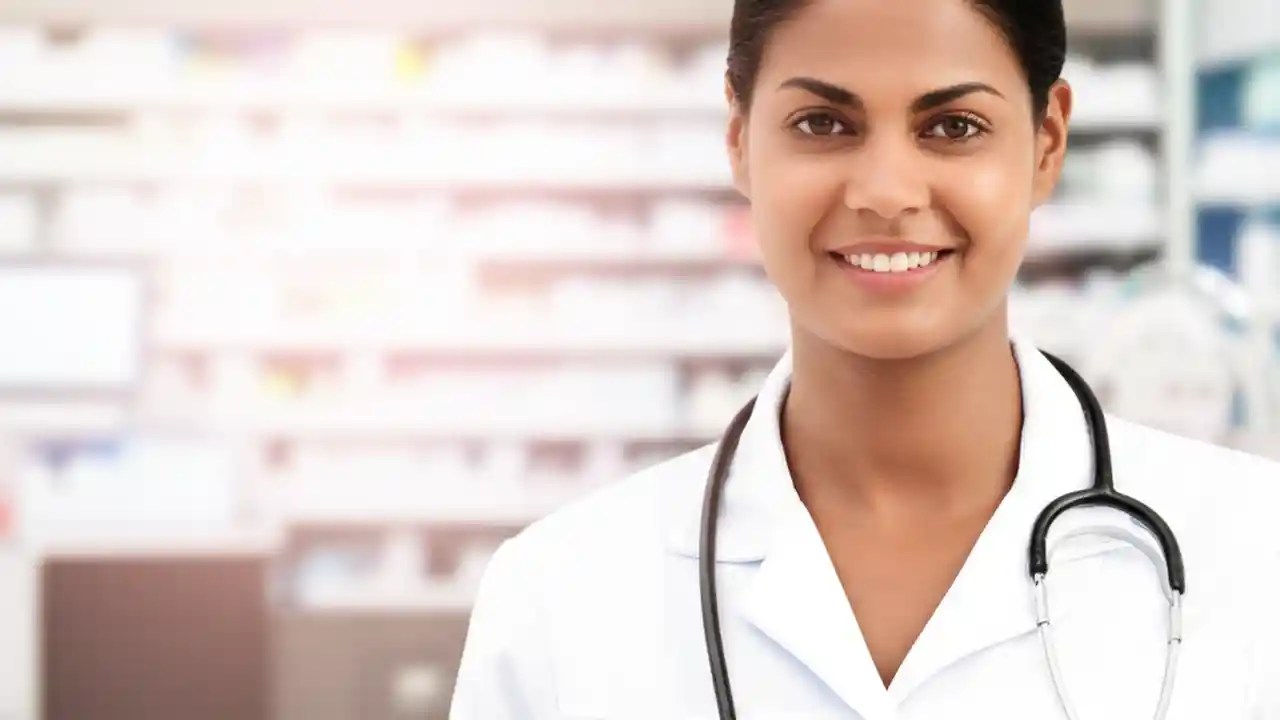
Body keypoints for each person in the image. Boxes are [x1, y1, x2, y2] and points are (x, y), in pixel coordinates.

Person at [450, 1, 1280, 717]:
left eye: (953, 127)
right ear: (740, 140)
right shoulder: (557, 596)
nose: (887, 189)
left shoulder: (1255, 549)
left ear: (1046, 143)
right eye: (823, 124)